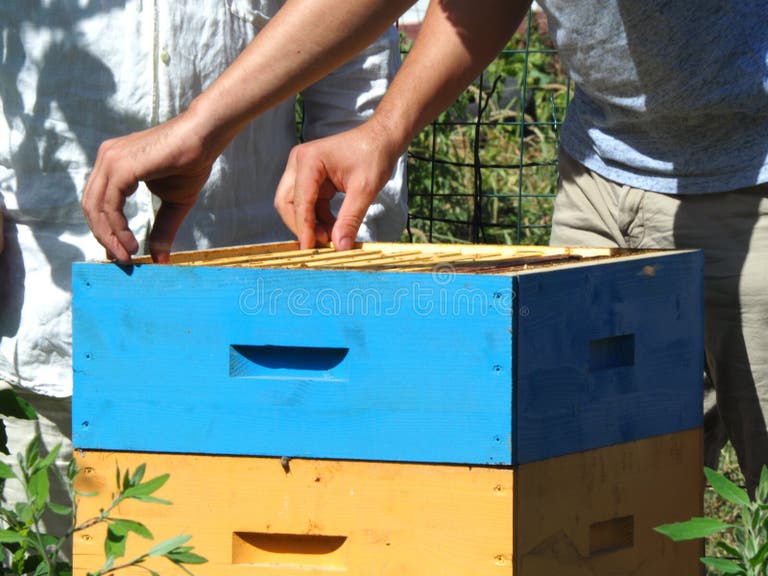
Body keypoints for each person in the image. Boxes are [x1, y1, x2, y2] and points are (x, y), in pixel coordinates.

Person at [81, 0, 768, 496]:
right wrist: (380, 130)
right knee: (589, 507)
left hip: (754, 171)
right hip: (599, 167)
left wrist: (204, 125)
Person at [0, 0, 406, 538]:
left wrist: (352, 262)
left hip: (262, 336)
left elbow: (359, 62)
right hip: (45, 328)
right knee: (41, 548)